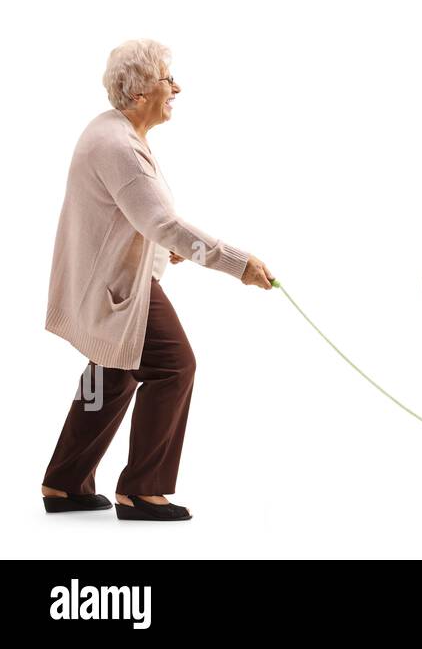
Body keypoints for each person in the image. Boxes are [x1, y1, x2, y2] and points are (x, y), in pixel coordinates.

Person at [41, 39, 275, 522]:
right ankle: (142, 491)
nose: (177, 87)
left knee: (114, 368)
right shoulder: (120, 146)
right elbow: (162, 222)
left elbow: (131, 217)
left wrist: (155, 242)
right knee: (174, 366)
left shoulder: (108, 131)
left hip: (102, 279)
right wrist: (239, 263)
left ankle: (63, 483)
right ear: (144, 89)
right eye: (169, 79)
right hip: (118, 288)